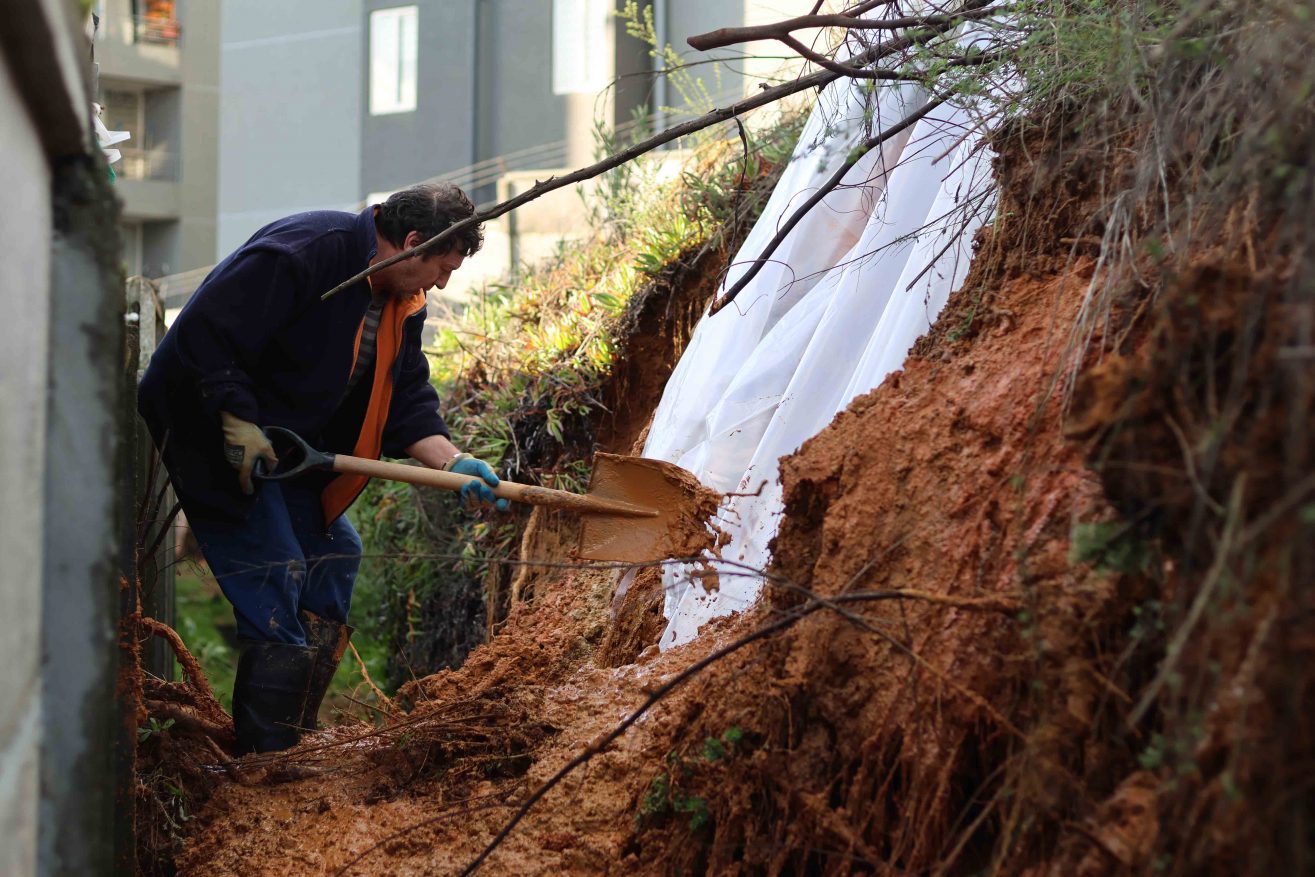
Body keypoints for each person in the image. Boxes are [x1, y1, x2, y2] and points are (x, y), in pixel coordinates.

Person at [138, 183, 506, 755]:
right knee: (277, 565)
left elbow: (406, 398)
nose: (440, 283)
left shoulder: (400, 303)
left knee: (338, 555)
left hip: (288, 450)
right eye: (442, 267)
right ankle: (265, 761)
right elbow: (207, 334)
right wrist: (236, 420)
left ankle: (291, 735)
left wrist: (454, 462)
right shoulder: (305, 251)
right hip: (208, 425)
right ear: (413, 241)